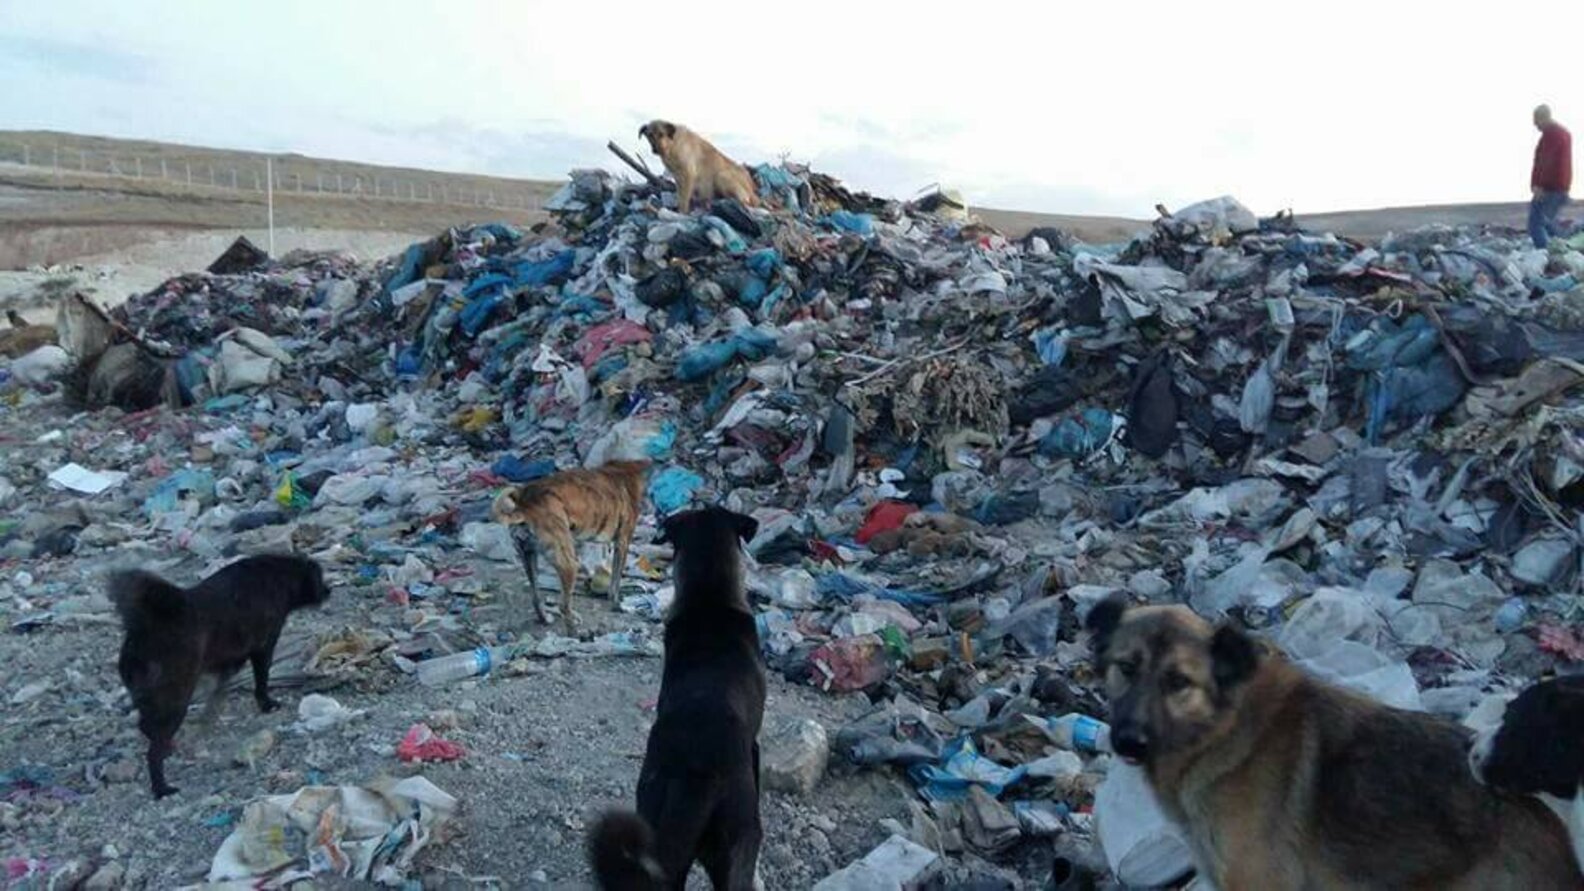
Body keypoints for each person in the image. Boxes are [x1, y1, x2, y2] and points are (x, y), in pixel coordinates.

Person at [1529, 104, 1572, 248]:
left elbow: (1546, 161)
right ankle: (1564, 247)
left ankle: (1547, 254)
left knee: (1536, 223)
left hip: (1551, 188)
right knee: (1548, 224)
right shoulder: (1557, 134)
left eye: (1536, 120)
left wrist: (1539, 185)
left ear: (1544, 117)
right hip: (1556, 187)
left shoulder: (1554, 135)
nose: (1535, 124)